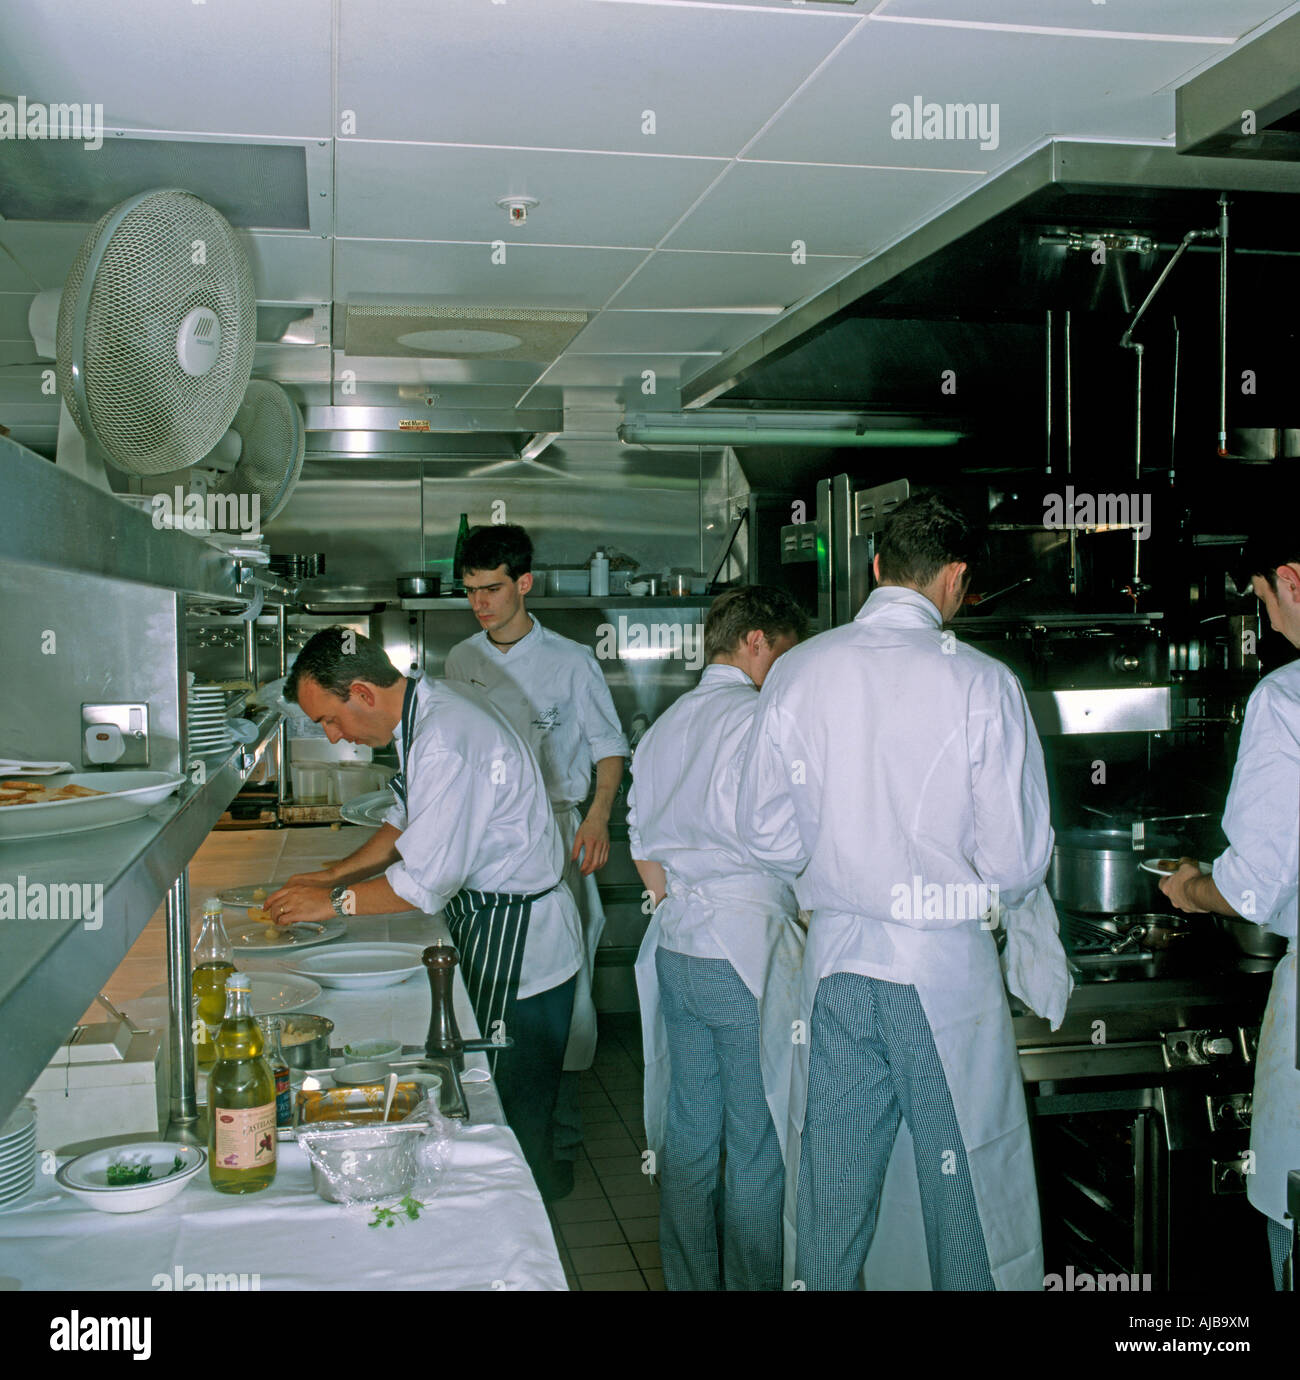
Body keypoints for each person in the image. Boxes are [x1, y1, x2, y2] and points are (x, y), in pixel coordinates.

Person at [737, 492, 1068, 1291]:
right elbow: (1018, 860)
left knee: (834, 1194)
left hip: (840, 968)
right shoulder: (982, 683)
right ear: (955, 579)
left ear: (877, 568)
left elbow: (762, 830)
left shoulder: (799, 671)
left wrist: (838, 856)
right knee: (966, 1197)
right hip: (940, 977)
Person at [266, 628, 583, 1201]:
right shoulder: (428, 706)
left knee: (511, 1115)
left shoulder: (447, 735)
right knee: (501, 1102)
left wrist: (332, 903)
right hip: (491, 927)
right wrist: (334, 874)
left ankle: (526, 1248)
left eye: (329, 720)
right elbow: (405, 815)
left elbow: (423, 885)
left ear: (361, 692)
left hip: (522, 947)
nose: (335, 736)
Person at [627, 586, 809, 1291]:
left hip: (679, 949)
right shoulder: (759, 719)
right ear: (758, 640)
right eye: (785, 653)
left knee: (691, 1137)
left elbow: (641, 841)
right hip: (745, 954)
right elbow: (782, 837)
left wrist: (685, 898)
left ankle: (690, 1283)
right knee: (757, 1145)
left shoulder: (667, 723)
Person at [443, 524, 629, 1187]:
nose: (481, 604)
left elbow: (609, 747)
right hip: (488, 839)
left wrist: (599, 816)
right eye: (470, 592)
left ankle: (558, 1141)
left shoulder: (572, 662)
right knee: (496, 987)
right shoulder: (461, 661)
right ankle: (502, 1136)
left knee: (563, 991)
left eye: (492, 589)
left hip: (557, 829)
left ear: (524, 583)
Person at [1160, 528, 1299, 1290]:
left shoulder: (1285, 701)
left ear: (1292, 579)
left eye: (1262, 598)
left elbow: (1253, 887)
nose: (1269, 622)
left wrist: (1191, 888)